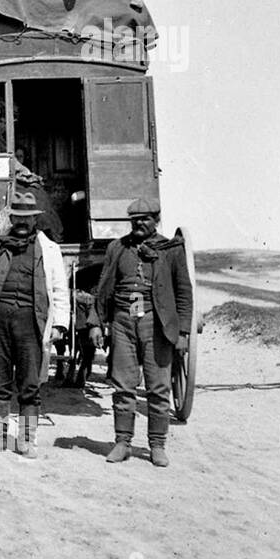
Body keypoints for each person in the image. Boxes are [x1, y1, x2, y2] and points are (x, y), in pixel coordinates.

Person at [0, 190, 69, 457]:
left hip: (31, 325)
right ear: (11, 217)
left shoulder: (49, 249)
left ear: (35, 219)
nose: (22, 222)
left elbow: (59, 290)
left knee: (29, 385)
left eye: (28, 218)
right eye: (17, 217)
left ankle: (26, 440)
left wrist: (58, 325)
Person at [89, 197, 192, 467]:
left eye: (145, 219)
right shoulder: (117, 248)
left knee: (158, 387)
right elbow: (103, 287)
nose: (139, 224)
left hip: (155, 324)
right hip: (122, 322)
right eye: (134, 220)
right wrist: (97, 322)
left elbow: (183, 293)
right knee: (123, 385)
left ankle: (157, 445)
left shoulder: (171, 250)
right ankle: (123, 442)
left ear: (156, 220)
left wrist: (182, 333)